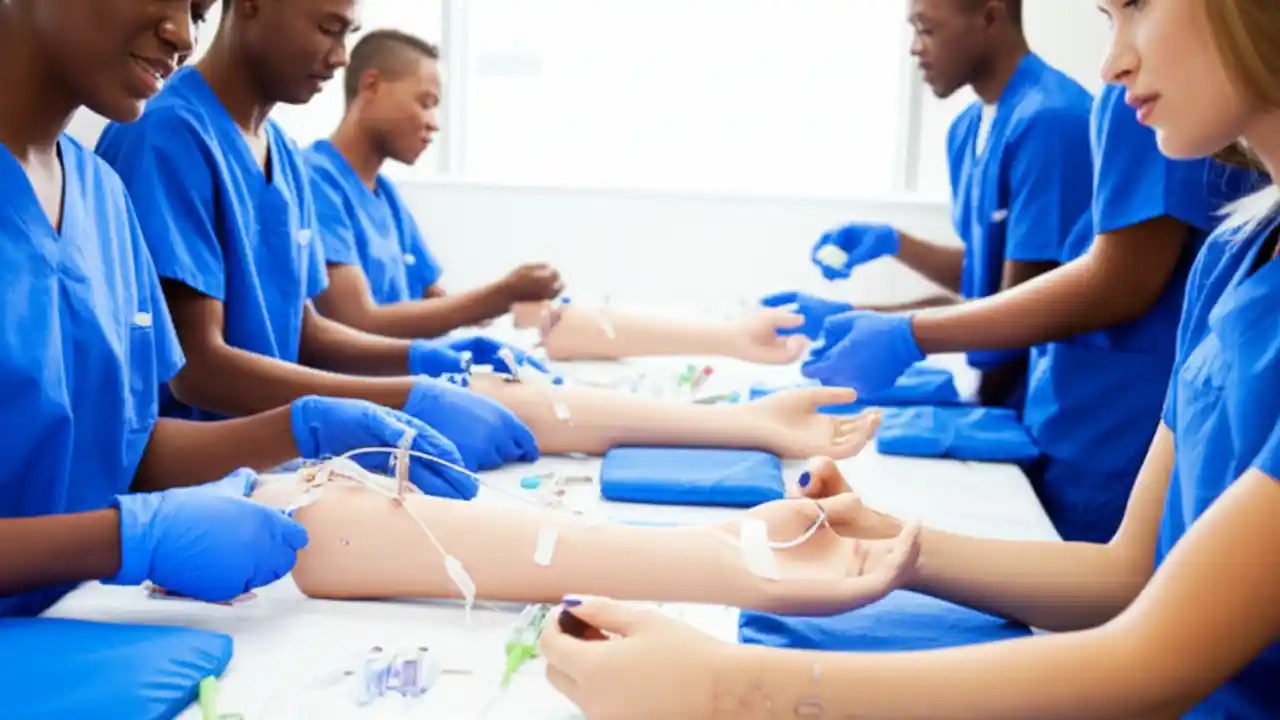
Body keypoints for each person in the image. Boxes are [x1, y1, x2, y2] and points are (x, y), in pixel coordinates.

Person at [540, 1, 1280, 716]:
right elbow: (1128, 576)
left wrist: (730, 692)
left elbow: (1154, 666)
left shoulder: (1055, 120)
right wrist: (896, 544)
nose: (1113, 63)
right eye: (1106, 19)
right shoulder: (1231, 257)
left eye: (1139, 5)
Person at [0, 0, 481, 620]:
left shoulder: (100, 196)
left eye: (198, 9)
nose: (182, 32)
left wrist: (303, 426)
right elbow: (199, 371)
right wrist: (126, 539)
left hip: (68, 625)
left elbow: (122, 447)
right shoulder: (162, 142)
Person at [797, 87, 1260, 543]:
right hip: (1069, 410)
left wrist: (910, 333)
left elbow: (1113, 281)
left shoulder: (1066, 118)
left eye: (1135, 7)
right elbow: (998, 276)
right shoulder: (973, 128)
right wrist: (887, 273)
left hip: (1110, 425)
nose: (1111, 62)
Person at [94, 0, 540, 472]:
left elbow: (304, 331)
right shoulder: (167, 136)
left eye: (348, 34)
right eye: (329, 29)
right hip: (203, 474)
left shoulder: (283, 152)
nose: (342, 56)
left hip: (283, 463)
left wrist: (422, 359)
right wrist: (403, 397)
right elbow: (199, 369)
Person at [778, 0, 1093, 407]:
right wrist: (891, 251)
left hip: (1049, 406)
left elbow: (1018, 310)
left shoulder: (1050, 122)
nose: (914, 47)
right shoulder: (967, 130)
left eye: (926, 29)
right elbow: (983, 281)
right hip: (1007, 396)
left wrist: (969, 406)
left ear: (990, 16)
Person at [249, 457, 919, 617]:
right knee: (318, 519)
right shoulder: (169, 145)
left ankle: (717, 553)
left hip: (254, 478)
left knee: (326, 513)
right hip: (245, 492)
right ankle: (721, 562)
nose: (432, 121)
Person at [308, 30, 564, 337]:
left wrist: (508, 305)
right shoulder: (315, 181)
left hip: (404, 370)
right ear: (371, 85)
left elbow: (434, 299)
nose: (434, 122)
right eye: (425, 102)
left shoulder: (385, 195)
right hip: (360, 382)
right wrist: (500, 295)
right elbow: (358, 322)